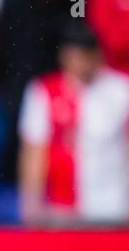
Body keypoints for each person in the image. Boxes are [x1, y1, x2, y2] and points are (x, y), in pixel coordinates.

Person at [18, 22, 129, 226]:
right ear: (64, 56)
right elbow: (34, 152)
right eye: (77, 55)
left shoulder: (121, 90)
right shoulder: (44, 92)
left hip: (115, 206)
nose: (83, 63)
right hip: (64, 210)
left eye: (88, 55)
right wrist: (31, 207)